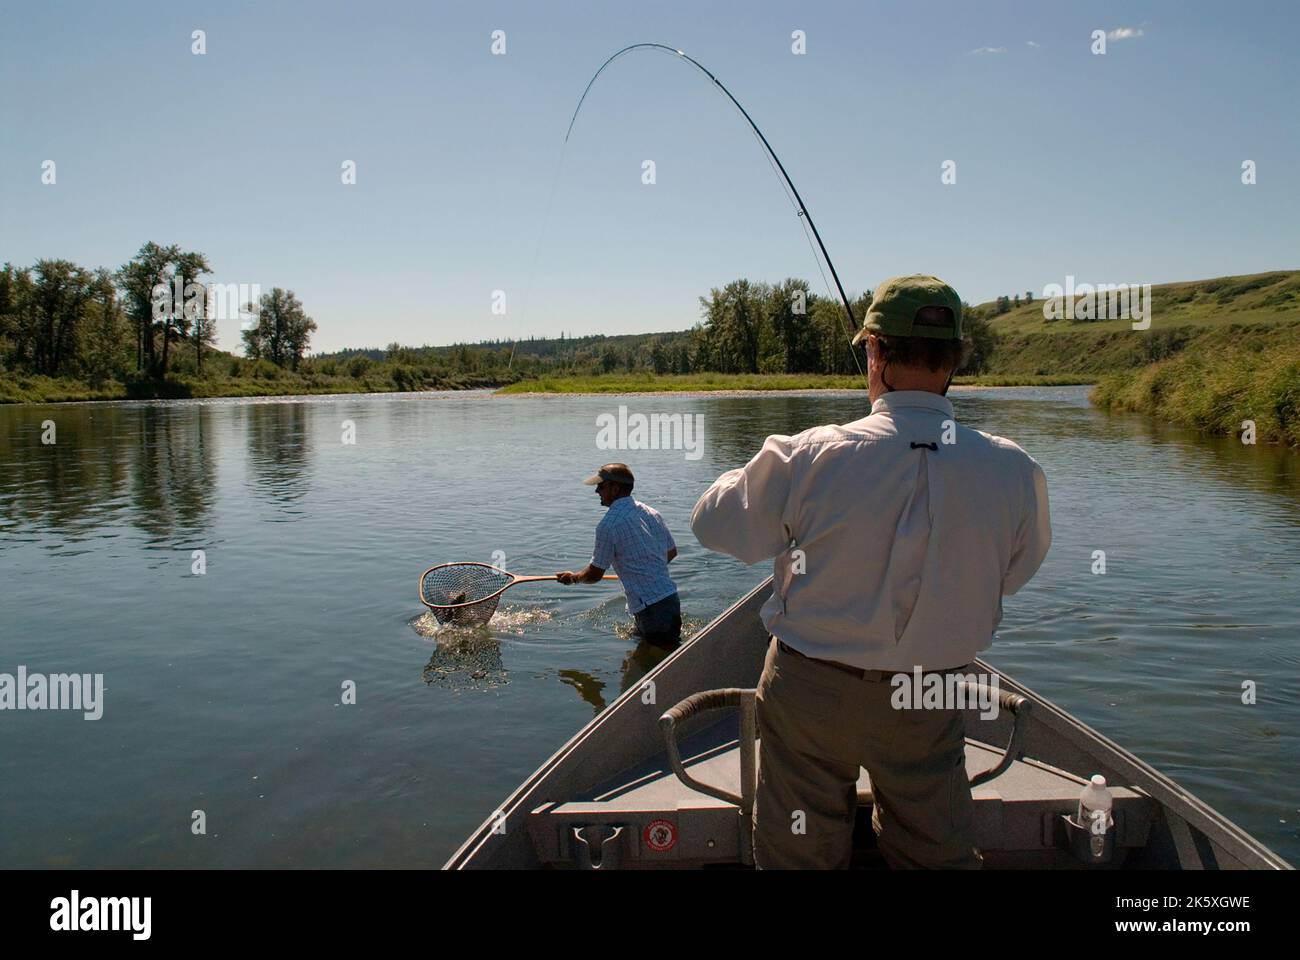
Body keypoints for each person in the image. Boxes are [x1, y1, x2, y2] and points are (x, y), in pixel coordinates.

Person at [690, 275, 1051, 869]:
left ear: (875, 352)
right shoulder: (1014, 469)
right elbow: (1012, 574)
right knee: (937, 854)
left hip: (810, 692)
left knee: (798, 857)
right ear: (954, 360)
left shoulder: (807, 453)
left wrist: (768, 468)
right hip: (930, 693)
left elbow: (713, 524)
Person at [557, 463, 682, 646]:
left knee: (659, 663)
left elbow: (594, 574)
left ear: (615, 488)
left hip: (650, 608)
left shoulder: (608, 525)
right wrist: (640, 569)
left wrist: (573, 578)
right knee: (665, 651)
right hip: (670, 598)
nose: (597, 491)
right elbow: (671, 552)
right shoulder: (651, 512)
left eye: (601, 486)